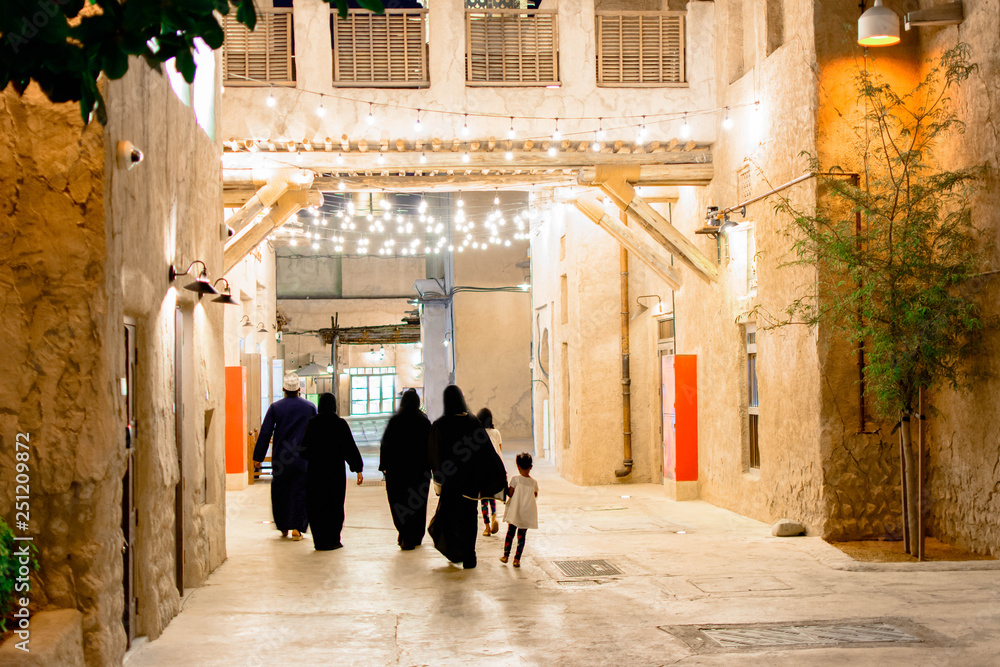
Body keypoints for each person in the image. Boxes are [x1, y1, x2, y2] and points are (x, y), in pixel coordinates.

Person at [427, 385, 507, 569]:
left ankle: (455, 551)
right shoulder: (472, 422)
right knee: (469, 517)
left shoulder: (440, 425)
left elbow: (434, 454)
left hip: (451, 484)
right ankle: (470, 556)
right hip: (470, 483)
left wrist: (437, 478)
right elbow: (487, 452)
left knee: (449, 517)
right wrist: (499, 476)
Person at [253, 372, 317, 541]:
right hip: (303, 459)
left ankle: (283, 527)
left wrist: (258, 456)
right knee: (300, 492)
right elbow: (316, 433)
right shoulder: (310, 407)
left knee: (281, 492)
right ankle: (297, 527)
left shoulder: (275, 408)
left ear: (283, 389)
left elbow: (265, 432)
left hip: (281, 459)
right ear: (299, 389)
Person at [301, 392, 363, 551]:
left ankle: (320, 541)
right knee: (335, 504)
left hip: (316, 473)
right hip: (335, 473)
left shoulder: (312, 424)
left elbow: (303, 450)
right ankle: (334, 539)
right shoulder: (340, 424)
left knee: (316, 504)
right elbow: (350, 448)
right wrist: (358, 468)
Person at [378, 389, 432, 550]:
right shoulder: (424, 422)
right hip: (419, 473)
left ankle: (405, 533)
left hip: (397, 472)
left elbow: (385, 445)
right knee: (418, 504)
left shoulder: (395, 421)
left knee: (398, 502)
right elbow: (431, 446)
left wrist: (384, 466)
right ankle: (415, 536)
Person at [500, 452, 538, 568]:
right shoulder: (534, 483)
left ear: (518, 467)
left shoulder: (515, 480)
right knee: (521, 536)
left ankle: (506, 556)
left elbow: (510, 494)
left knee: (510, 534)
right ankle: (517, 559)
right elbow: (535, 495)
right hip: (526, 514)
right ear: (531, 467)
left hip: (515, 513)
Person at [476, 407, 504, 537]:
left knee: (483, 498)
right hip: (495, 468)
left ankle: (487, 527)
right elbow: (499, 451)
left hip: (482, 469)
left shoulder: (477, 433)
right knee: (492, 496)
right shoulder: (496, 433)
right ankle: (494, 516)